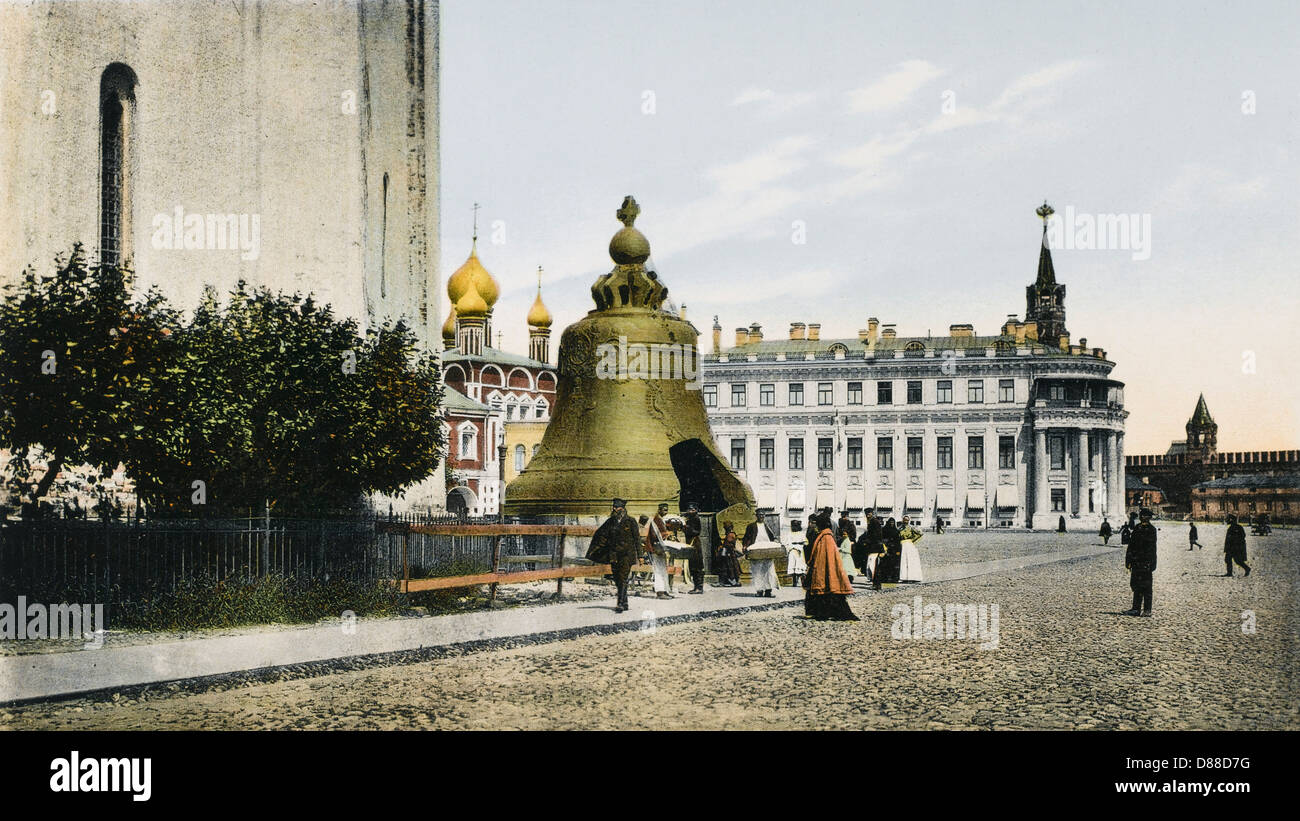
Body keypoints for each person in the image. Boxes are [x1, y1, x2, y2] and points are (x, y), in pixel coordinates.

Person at [586, 498, 642, 613]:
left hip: (626, 555)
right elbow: (601, 535)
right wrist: (598, 550)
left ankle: (620, 603)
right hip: (614, 555)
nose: (614, 509)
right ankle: (625, 602)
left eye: (617, 507)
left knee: (623, 578)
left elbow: (637, 539)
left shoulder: (631, 521)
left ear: (623, 509)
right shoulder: (610, 522)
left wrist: (640, 556)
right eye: (614, 507)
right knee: (617, 579)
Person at [803, 510, 857, 621]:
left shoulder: (825, 537)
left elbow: (822, 556)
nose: (815, 527)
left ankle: (823, 613)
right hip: (823, 569)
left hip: (822, 570)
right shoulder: (825, 536)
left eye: (817, 525)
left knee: (825, 592)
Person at [1124, 508, 1157, 616]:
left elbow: (1152, 548)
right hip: (1136, 562)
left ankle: (1147, 610)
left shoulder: (1152, 530)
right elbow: (1131, 545)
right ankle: (1136, 608)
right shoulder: (1137, 528)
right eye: (1144, 516)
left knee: (1147, 587)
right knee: (1136, 585)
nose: (1145, 518)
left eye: (1148, 516)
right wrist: (1128, 560)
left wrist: (1152, 563)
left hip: (1146, 562)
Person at [742, 511, 779, 598]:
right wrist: (745, 546)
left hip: (767, 550)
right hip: (756, 550)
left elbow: (772, 537)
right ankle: (759, 590)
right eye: (759, 515)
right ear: (756, 516)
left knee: (769, 571)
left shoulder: (767, 526)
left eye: (763, 515)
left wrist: (775, 542)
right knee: (757, 572)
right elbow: (746, 537)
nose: (761, 516)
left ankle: (768, 590)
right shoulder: (751, 526)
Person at [645, 503, 675, 599]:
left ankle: (665, 590)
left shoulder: (662, 520)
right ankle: (659, 592)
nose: (666, 512)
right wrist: (667, 534)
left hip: (661, 549)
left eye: (667, 510)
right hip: (655, 549)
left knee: (663, 570)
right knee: (658, 570)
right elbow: (654, 535)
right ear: (659, 510)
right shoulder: (655, 520)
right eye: (664, 510)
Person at [683, 503, 706, 594]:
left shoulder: (695, 519)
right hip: (690, 543)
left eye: (692, 510)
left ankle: (699, 587)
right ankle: (696, 586)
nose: (690, 511)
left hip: (695, 544)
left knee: (697, 566)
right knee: (692, 566)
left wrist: (687, 528)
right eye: (689, 509)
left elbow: (697, 531)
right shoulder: (689, 519)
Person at [874, 517, 902, 589]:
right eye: (890, 522)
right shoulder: (884, 530)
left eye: (893, 522)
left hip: (894, 550)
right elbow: (882, 538)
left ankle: (893, 578)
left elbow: (898, 541)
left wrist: (898, 550)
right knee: (885, 564)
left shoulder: (896, 531)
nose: (891, 524)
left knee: (894, 565)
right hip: (886, 549)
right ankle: (885, 578)